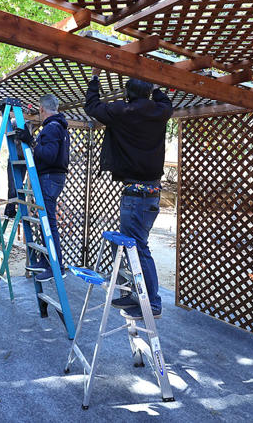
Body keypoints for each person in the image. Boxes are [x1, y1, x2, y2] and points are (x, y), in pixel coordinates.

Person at [84, 67, 173, 319]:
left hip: (136, 196)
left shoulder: (122, 111)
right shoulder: (159, 111)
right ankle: (136, 295)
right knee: (132, 246)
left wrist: (95, 78)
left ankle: (152, 303)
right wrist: (157, 88)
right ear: (148, 92)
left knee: (138, 248)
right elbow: (166, 103)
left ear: (127, 92)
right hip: (151, 193)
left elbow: (92, 106)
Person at [15, 94, 70, 282]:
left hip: (49, 178)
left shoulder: (52, 128)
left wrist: (31, 141)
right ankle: (46, 261)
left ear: (41, 109)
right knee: (45, 221)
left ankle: (56, 267)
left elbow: (48, 155)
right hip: (52, 178)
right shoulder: (58, 126)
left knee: (48, 223)